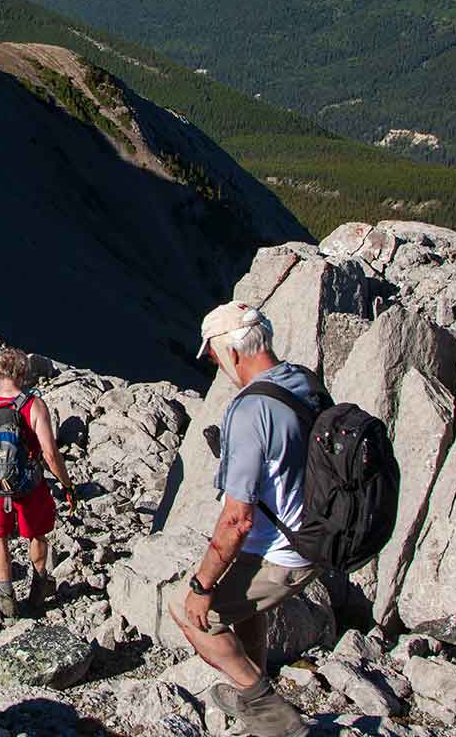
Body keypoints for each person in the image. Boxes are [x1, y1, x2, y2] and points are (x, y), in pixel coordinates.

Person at [167, 301, 326, 737]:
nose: (217, 367)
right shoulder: (301, 380)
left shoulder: (250, 410)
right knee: (241, 605)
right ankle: (256, 683)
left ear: (232, 352)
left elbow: (237, 520)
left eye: (215, 357)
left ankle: (270, 712)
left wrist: (202, 586)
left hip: (284, 552)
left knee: (190, 613)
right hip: (313, 531)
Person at [0, 347, 76, 617]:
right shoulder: (34, 405)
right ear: (24, 373)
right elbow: (50, 453)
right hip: (29, 485)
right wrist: (66, 484)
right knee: (37, 534)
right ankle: (38, 587)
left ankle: (6, 595)